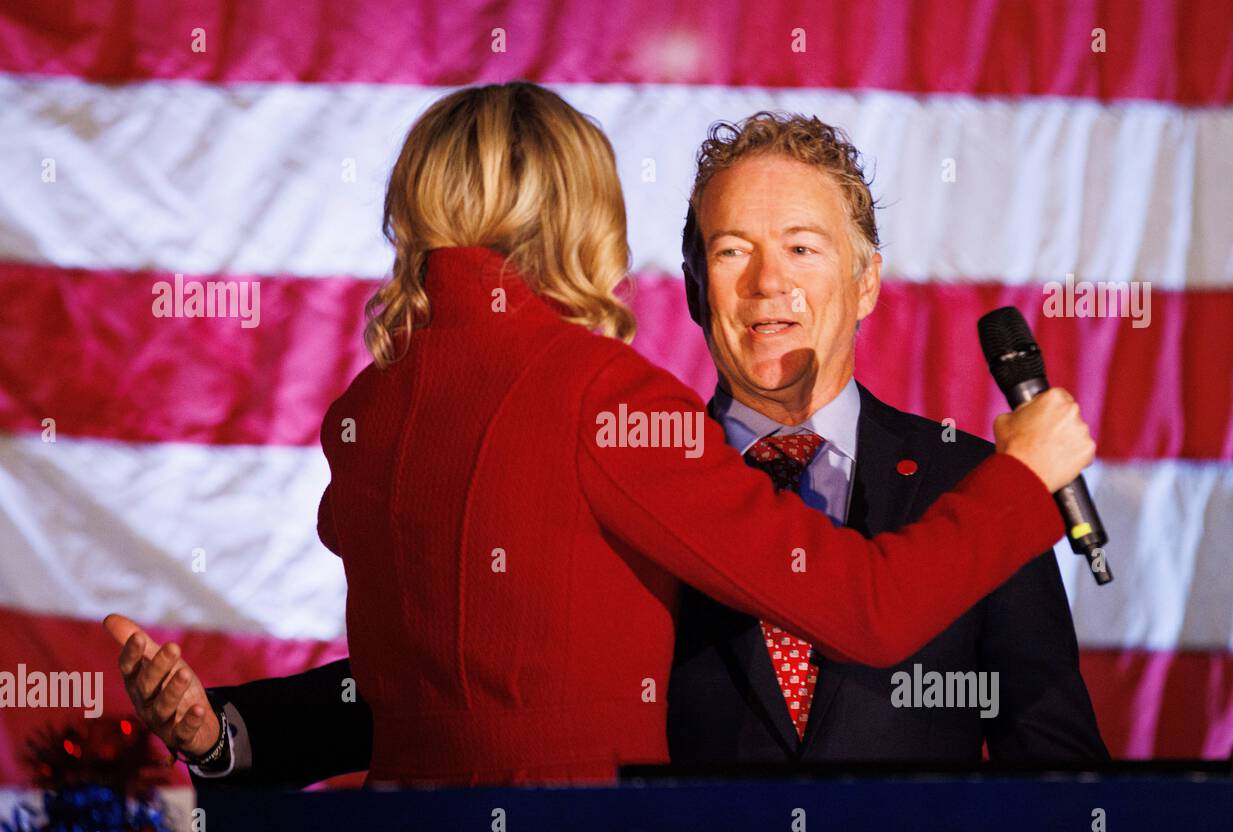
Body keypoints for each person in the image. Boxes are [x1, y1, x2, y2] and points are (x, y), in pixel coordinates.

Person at [105, 82, 1095, 788]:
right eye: (730, 251)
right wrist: (1026, 484)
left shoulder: (368, 412)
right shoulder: (615, 414)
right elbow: (442, 683)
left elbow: (457, 681)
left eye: (801, 247)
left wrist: (227, 730)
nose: (766, 282)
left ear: (866, 279)